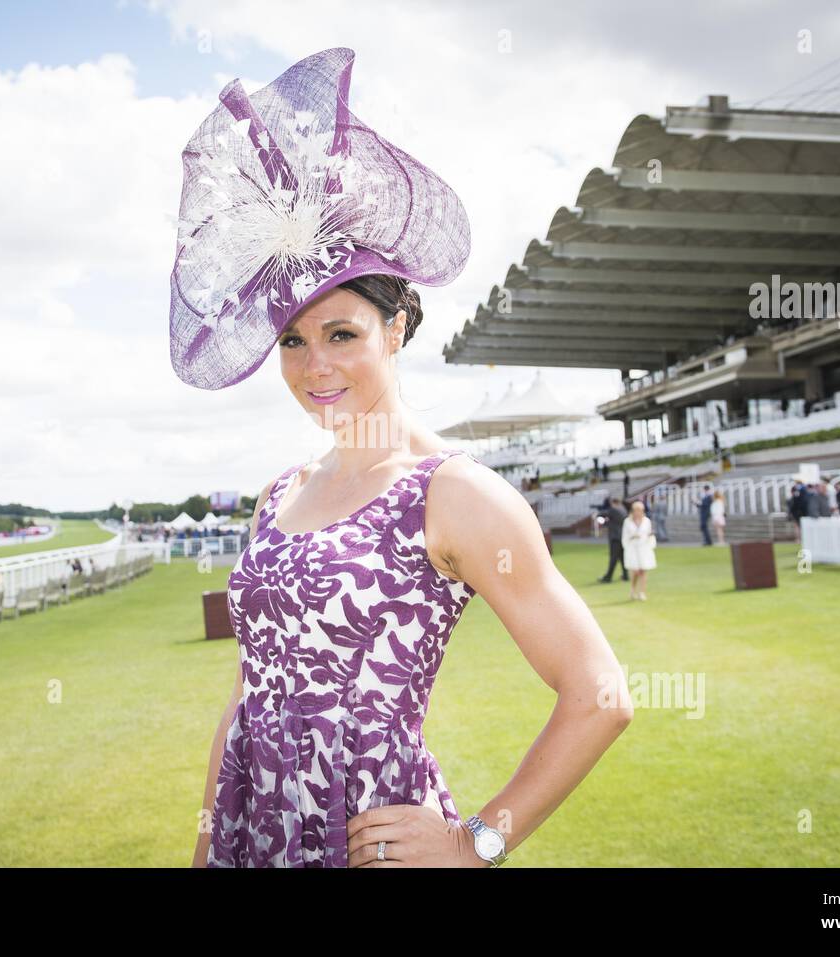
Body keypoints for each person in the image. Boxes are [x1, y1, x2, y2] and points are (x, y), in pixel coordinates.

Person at [174, 49, 629, 869]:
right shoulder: (277, 495)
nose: (316, 367)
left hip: (370, 847)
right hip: (250, 840)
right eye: (293, 341)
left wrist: (474, 840)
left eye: (342, 333)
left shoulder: (454, 496)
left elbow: (600, 694)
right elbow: (247, 696)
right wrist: (208, 844)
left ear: (395, 329)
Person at [622, 501, 657, 601]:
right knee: (635, 571)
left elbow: (649, 533)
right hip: (632, 548)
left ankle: (642, 592)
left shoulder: (647, 521)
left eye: (640, 510)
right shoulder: (627, 521)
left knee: (643, 571)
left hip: (644, 548)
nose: (638, 512)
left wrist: (650, 536)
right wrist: (632, 537)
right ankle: (633, 590)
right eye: (636, 510)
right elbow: (624, 536)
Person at [598, 496, 630, 583]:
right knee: (622, 557)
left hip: (615, 537)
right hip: (622, 536)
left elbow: (602, 513)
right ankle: (626, 575)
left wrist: (598, 515)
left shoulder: (613, 509)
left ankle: (608, 577)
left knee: (613, 558)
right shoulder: (623, 509)